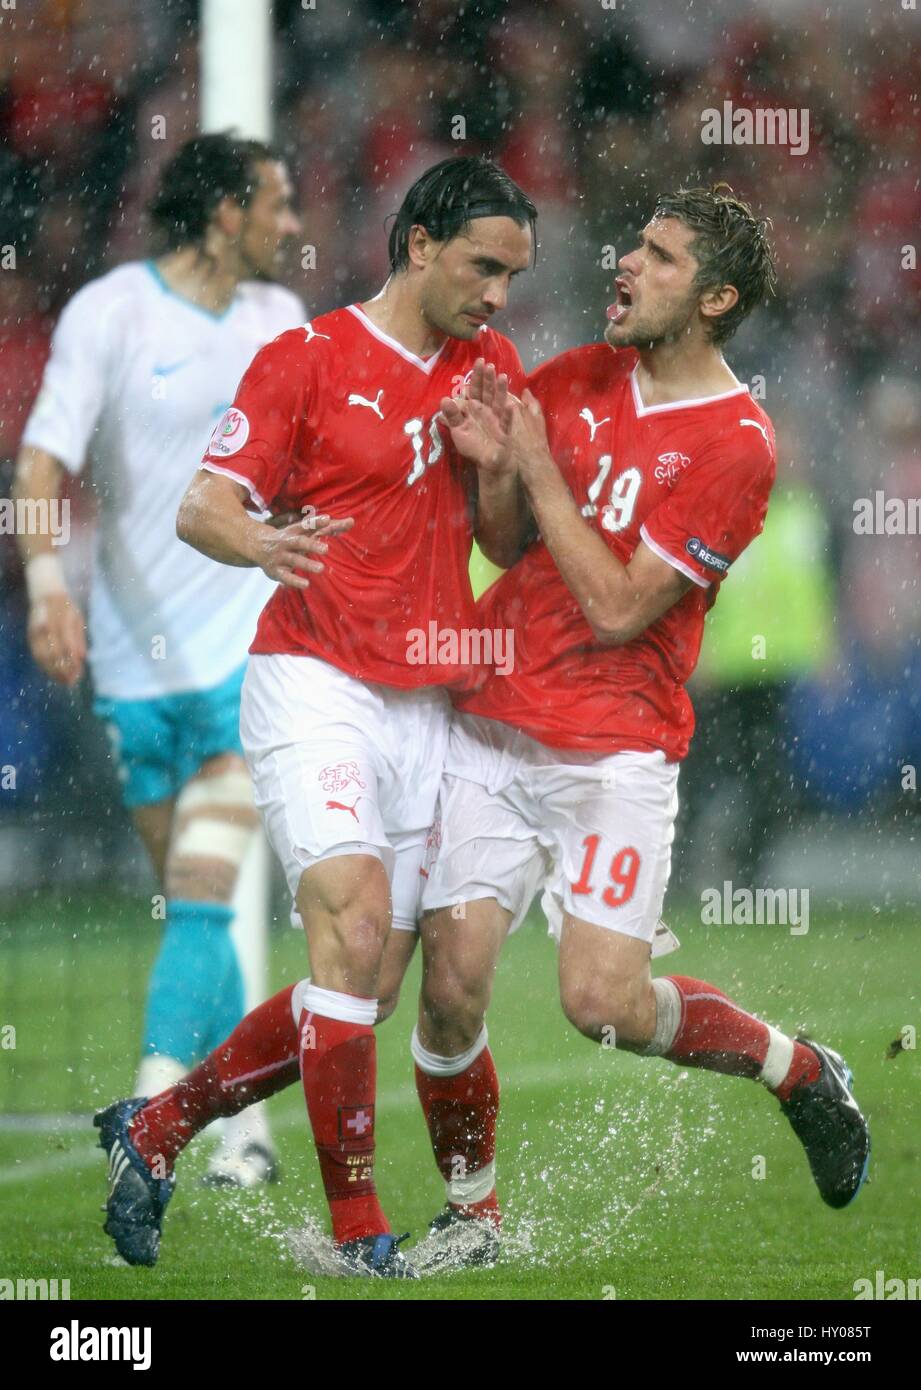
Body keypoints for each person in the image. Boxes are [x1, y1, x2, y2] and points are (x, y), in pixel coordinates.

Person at [410, 185, 869, 1265]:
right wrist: (492, 462)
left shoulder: (738, 445)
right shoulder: (569, 378)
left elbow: (619, 608)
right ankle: (471, 1218)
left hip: (615, 749)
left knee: (603, 1006)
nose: (625, 263)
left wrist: (533, 473)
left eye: (658, 258)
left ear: (712, 298)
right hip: (493, 724)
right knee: (447, 986)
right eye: (633, 245)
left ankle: (798, 1068)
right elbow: (508, 540)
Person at [94, 154, 535, 1277]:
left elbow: (505, 545)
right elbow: (206, 506)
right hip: (315, 680)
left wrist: (494, 469)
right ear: (421, 243)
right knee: (347, 934)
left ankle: (152, 1128)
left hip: (432, 702)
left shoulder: (490, 365)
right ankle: (356, 1232)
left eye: (514, 277)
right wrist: (267, 542)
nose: (497, 295)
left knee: (383, 987)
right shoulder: (309, 358)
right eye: (484, 267)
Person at [14, 132, 305, 1187]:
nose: (294, 224)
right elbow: (44, 457)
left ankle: (147, 1108)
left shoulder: (280, 319)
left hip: (250, 660)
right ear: (225, 212)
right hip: (137, 673)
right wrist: (48, 581)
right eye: (277, 204)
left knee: (199, 896)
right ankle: (247, 1131)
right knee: (201, 914)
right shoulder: (111, 312)